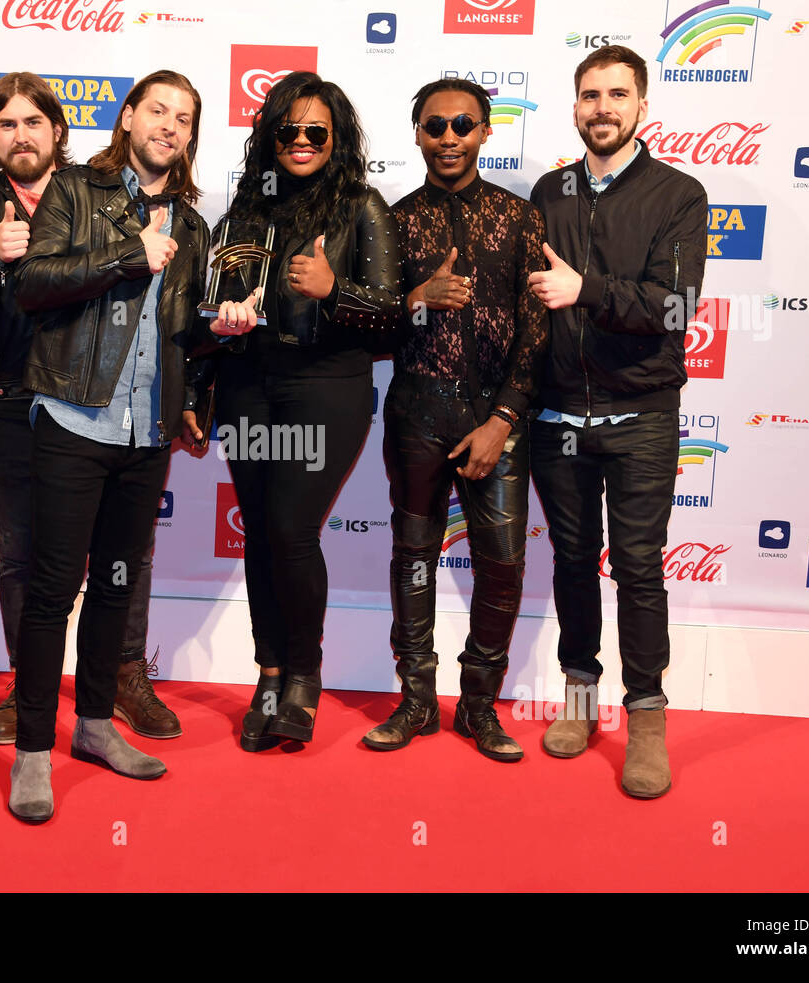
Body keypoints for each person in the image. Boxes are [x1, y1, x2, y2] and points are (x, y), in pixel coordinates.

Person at [6, 70, 246, 823]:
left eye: (185, 118)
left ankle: (97, 724)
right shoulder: (77, 191)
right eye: (159, 111)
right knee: (53, 590)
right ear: (130, 117)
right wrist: (124, 256)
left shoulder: (197, 226)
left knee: (116, 583)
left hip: (146, 434)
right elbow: (32, 285)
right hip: (75, 420)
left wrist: (220, 329)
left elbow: (183, 334)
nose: (170, 126)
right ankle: (34, 751)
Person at [0, 72, 182, 747]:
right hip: (10, 398)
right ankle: (30, 682)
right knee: (22, 548)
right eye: (6, 124)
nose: (21, 135)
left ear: (56, 129)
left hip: (94, 400)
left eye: (33, 122)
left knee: (120, 552)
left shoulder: (98, 192)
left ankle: (123, 675)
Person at [527, 45, 707, 798]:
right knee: (572, 560)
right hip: (558, 414)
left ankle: (646, 717)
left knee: (637, 568)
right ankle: (577, 696)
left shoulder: (678, 192)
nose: (602, 107)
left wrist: (586, 288)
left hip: (641, 415)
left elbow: (674, 308)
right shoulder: (550, 190)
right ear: (575, 108)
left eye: (617, 95)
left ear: (642, 108)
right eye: (590, 95)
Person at [206, 71, 403, 751]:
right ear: (269, 136)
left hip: (327, 386)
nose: (300, 142)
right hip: (249, 386)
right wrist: (222, 319)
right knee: (260, 531)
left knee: (291, 529)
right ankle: (268, 670)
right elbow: (215, 304)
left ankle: (304, 676)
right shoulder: (245, 210)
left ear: (337, 139)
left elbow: (397, 319)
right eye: (287, 131)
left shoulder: (363, 208)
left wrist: (333, 288)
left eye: (315, 132)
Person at [362, 78, 546, 760]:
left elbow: (536, 333)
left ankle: (478, 704)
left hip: (497, 419)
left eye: (462, 125)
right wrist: (417, 297)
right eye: (434, 125)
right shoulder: (392, 219)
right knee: (413, 559)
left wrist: (502, 418)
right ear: (416, 134)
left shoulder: (522, 218)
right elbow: (370, 324)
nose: (448, 137)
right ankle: (415, 701)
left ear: (485, 133)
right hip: (416, 413)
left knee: (502, 563)